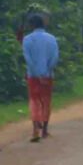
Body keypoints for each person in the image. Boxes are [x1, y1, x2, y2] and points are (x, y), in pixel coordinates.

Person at [21, 11, 60, 143]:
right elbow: (55, 58)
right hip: (47, 76)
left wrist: (36, 73)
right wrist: (46, 71)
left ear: (32, 25)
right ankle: (45, 130)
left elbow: (28, 60)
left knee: (34, 101)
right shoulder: (52, 38)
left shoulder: (27, 39)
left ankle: (35, 130)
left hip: (32, 76)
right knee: (46, 101)